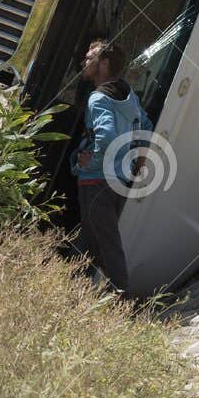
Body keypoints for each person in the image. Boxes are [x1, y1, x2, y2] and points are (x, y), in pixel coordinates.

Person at [71, 39, 151, 289]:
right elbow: (146, 127)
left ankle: (123, 301)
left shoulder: (98, 99)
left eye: (89, 58)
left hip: (96, 181)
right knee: (89, 241)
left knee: (107, 245)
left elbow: (106, 136)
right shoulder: (129, 95)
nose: (84, 62)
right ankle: (71, 292)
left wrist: (90, 161)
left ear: (103, 64)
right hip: (119, 182)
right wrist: (137, 159)